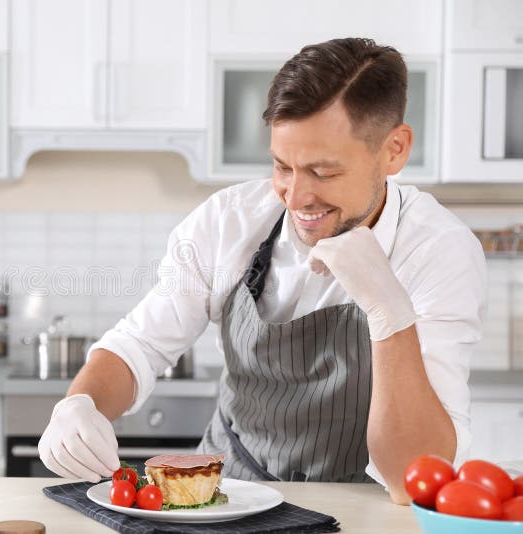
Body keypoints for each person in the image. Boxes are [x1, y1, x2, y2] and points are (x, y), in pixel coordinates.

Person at [38, 37, 487, 504]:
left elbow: (412, 476)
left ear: (394, 150)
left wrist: (389, 310)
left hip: (362, 509)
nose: (295, 196)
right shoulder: (229, 221)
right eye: (282, 167)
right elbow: (141, 343)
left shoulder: (439, 252)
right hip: (227, 497)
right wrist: (79, 405)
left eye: (323, 172)